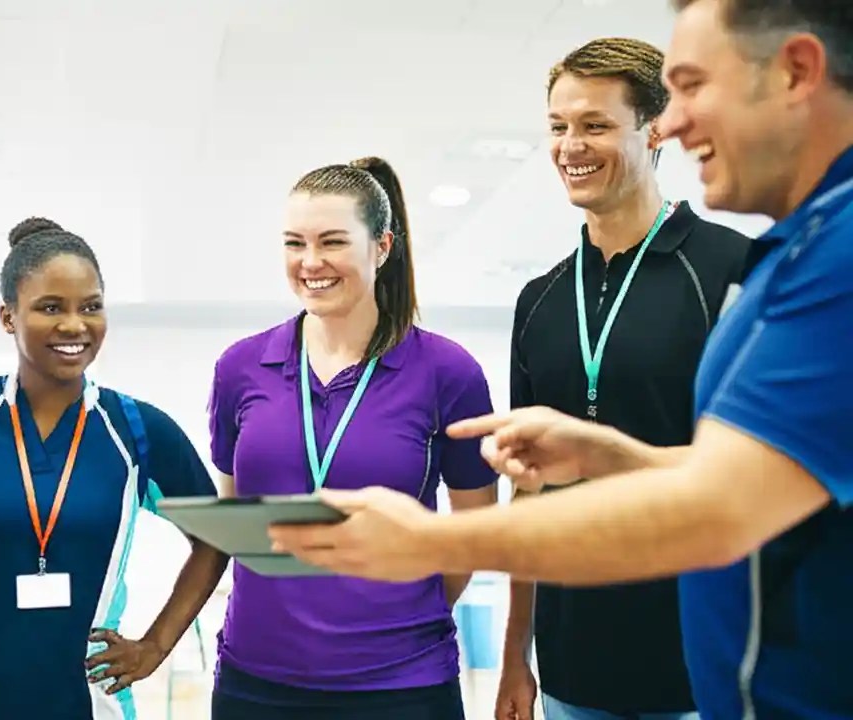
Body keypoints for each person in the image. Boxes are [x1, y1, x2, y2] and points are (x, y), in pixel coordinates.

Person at [267, 1, 853, 717]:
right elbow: (753, 478)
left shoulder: (817, 262)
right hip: (586, 668)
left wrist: (430, 541)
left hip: (716, 681)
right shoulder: (799, 251)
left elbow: (719, 509)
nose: (676, 119)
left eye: (696, 86)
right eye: (558, 126)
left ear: (796, 71)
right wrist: (606, 454)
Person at [0, 217, 229, 719]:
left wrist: (155, 645)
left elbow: (215, 535)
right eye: (51, 307)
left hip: (93, 704)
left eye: (91, 307)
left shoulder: (138, 429)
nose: (75, 325)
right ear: (8, 317)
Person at [500, 37, 751, 720]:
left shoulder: (734, 272)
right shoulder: (542, 300)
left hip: (702, 666)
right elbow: (524, 492)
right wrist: (515, 653)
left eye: (595, 125)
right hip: (570, 670)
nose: (570, 145)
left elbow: (757, 473)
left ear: (655, 131)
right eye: (558, 126)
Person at [206, 156, 500, 720]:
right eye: (295, 243)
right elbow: (235, 511)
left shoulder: (447, 371)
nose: (311, 262)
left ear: (382, 247)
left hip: (401, 683)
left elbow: (474, 533)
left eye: (332, 242)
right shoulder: (240, 368)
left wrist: (401, 612)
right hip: (257, 680)